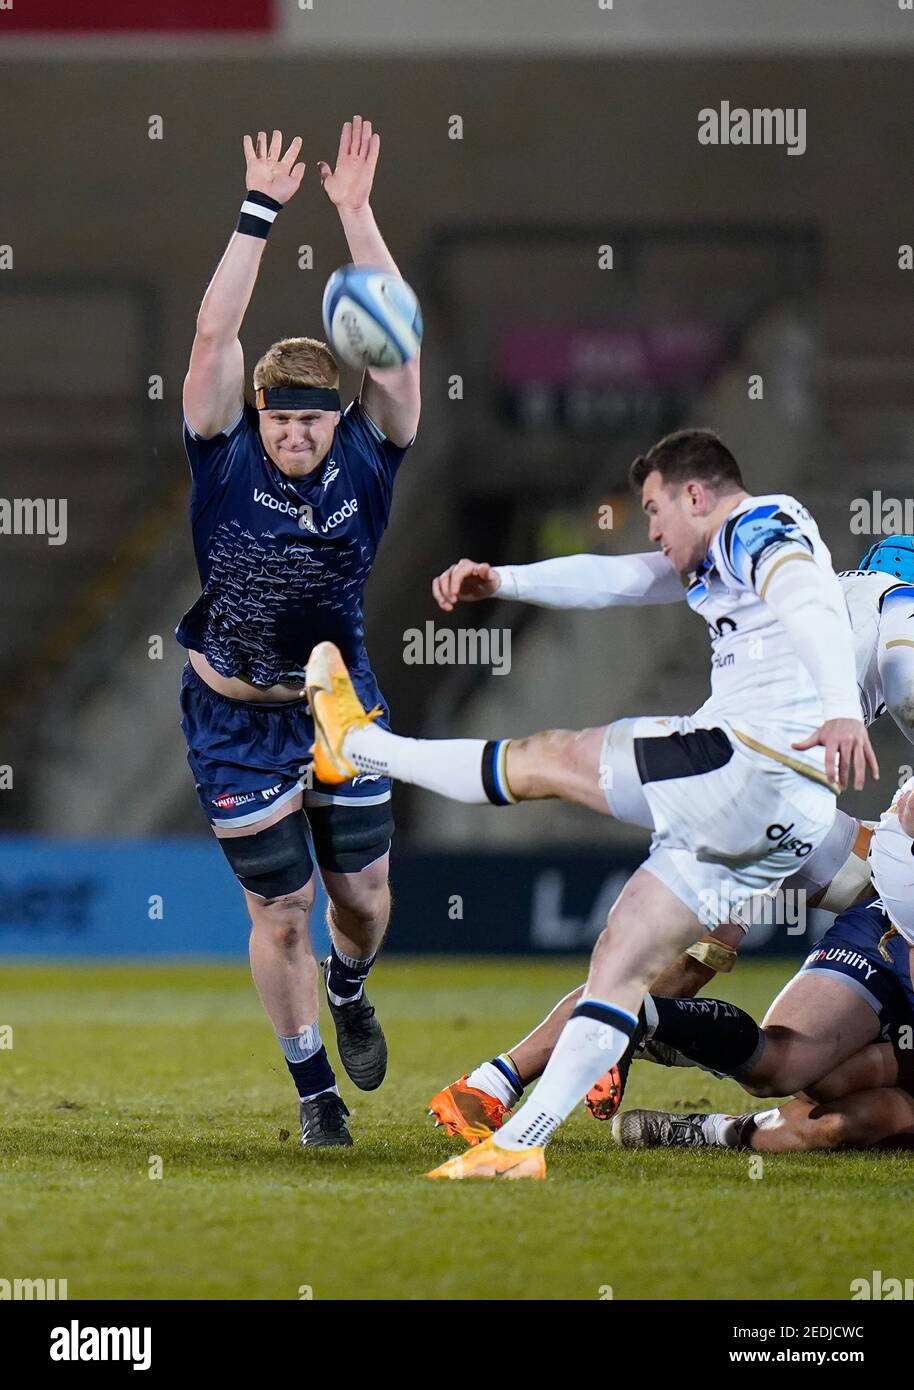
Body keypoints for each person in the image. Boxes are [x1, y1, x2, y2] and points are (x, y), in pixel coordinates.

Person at [306, 428, 877, 1177]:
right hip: (782, 813)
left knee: (547, 758)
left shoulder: (755, 523)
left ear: (695, 495)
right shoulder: (716, 555)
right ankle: (521, 1145)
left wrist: (840, 707)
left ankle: (361, 750)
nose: (652, 530)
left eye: (654, 510)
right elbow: (619, 581)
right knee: (622, 963)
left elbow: (803, 593)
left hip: (747, 760)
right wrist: (504, 581)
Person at [424, 536, 914, 1144]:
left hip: (719, 777)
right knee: (677, 964)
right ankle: (513, 1074)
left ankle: (517, 1072)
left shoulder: (814, 597)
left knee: (689, 959)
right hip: (761, 799)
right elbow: (908, 682)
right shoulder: (897, 602)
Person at [177, 120, 420, 1148]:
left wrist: (357, 215)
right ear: (258, 414)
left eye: (310, 421)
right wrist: (258, 214)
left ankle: (351, 988)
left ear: (335, 417)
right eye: (279, 418)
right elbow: (209, 342)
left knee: (359, 901)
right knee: (280, 913)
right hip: (234, 718)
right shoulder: (222, 454)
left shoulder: (368, 456)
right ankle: (314, 1091)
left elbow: (399, 348)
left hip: (337, 706)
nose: (292, 434)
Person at [615, 781, 914, 1153]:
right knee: (806, 1073)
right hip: (886, 931)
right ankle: (645, 1021)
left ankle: (717, 1129)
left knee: (841, 1124)